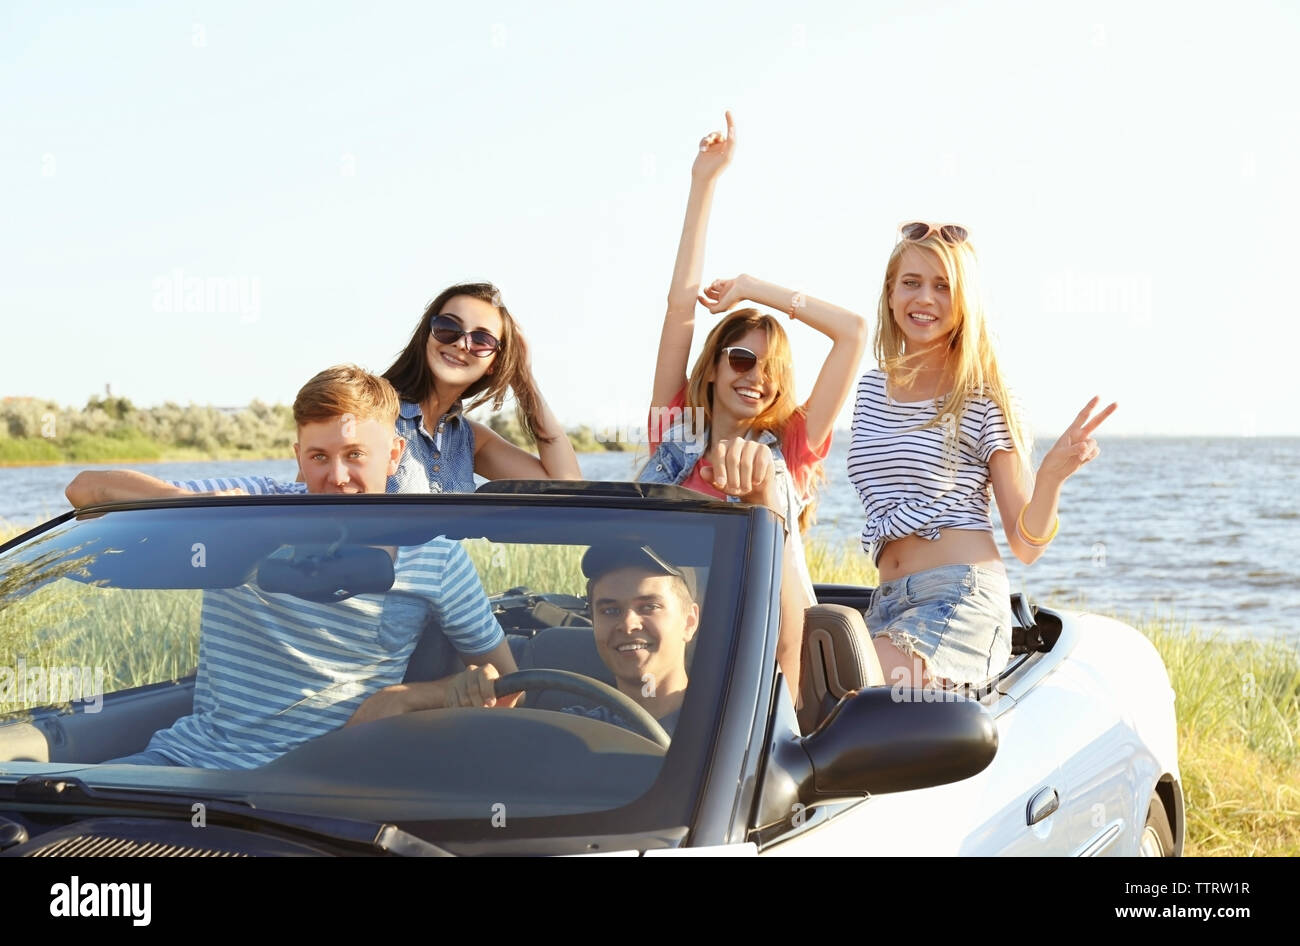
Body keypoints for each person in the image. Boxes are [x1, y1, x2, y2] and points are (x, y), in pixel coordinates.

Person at [65, 365, 519, 768]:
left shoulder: (434, 552)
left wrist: (407, 699)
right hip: (187, 763)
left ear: (396, 453)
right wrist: (196, 509)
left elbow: (510, 686)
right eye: (319, 457)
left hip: (323, 782)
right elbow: (86, 490)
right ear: (298, 455)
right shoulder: (258, 500)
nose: (337, 477)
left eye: (356, 454)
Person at [639, 112, 868, 697]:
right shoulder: (675, 428)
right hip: (666, 644)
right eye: (742, 359)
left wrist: (755, 288)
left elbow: (853, 332)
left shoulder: (793, 441)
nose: (755, 378)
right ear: (714, 366)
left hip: (761, 648)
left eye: (773, 370)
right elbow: (678, 310)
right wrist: (704, 182)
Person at [848, 222, 1116, 689]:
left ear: (964, 303)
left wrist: (1050, 477)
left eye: (943, 287)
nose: (925, 298)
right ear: (890, 294)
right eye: (911, 283)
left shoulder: (981, 395)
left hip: (958, 598)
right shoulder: (872, 389)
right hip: (887, 600)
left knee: (865, 692)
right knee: (808, 697)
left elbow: (1025, 544)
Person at [393, 542, 699, 737]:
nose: (628, 624)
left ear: (689, 622)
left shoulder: (727, 733)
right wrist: (480, 718)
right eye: (610, 610)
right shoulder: (571, 732)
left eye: (649, 607)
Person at [382, 282, 582, 493]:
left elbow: (566, 488)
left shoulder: (468, 438)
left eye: (481, 340)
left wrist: (525, 381)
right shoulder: (372, 412)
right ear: (427, 334)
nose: (461, 343)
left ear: (494, 364)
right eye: (448, 327)